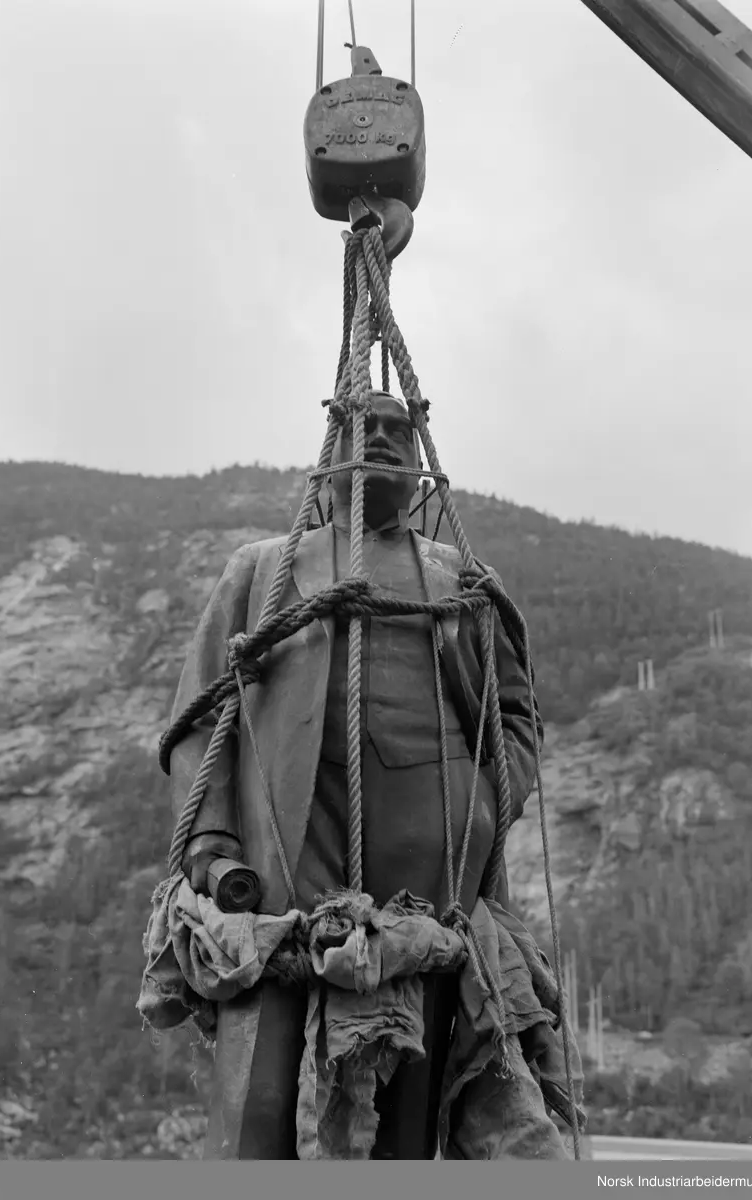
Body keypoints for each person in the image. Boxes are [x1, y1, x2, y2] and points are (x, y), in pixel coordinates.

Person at [162, 392, 576, 1160]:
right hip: (290, 857)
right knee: (261, 1094)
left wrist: (488, 806)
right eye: (363, 427)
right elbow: (197, 720)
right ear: (326, 461)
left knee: (410, 1108)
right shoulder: (261, 571)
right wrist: (213, 846)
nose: (381, 439)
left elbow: (516, 717)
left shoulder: (461, 581)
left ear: (422, 469)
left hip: (432, 883)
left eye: (399, 431)